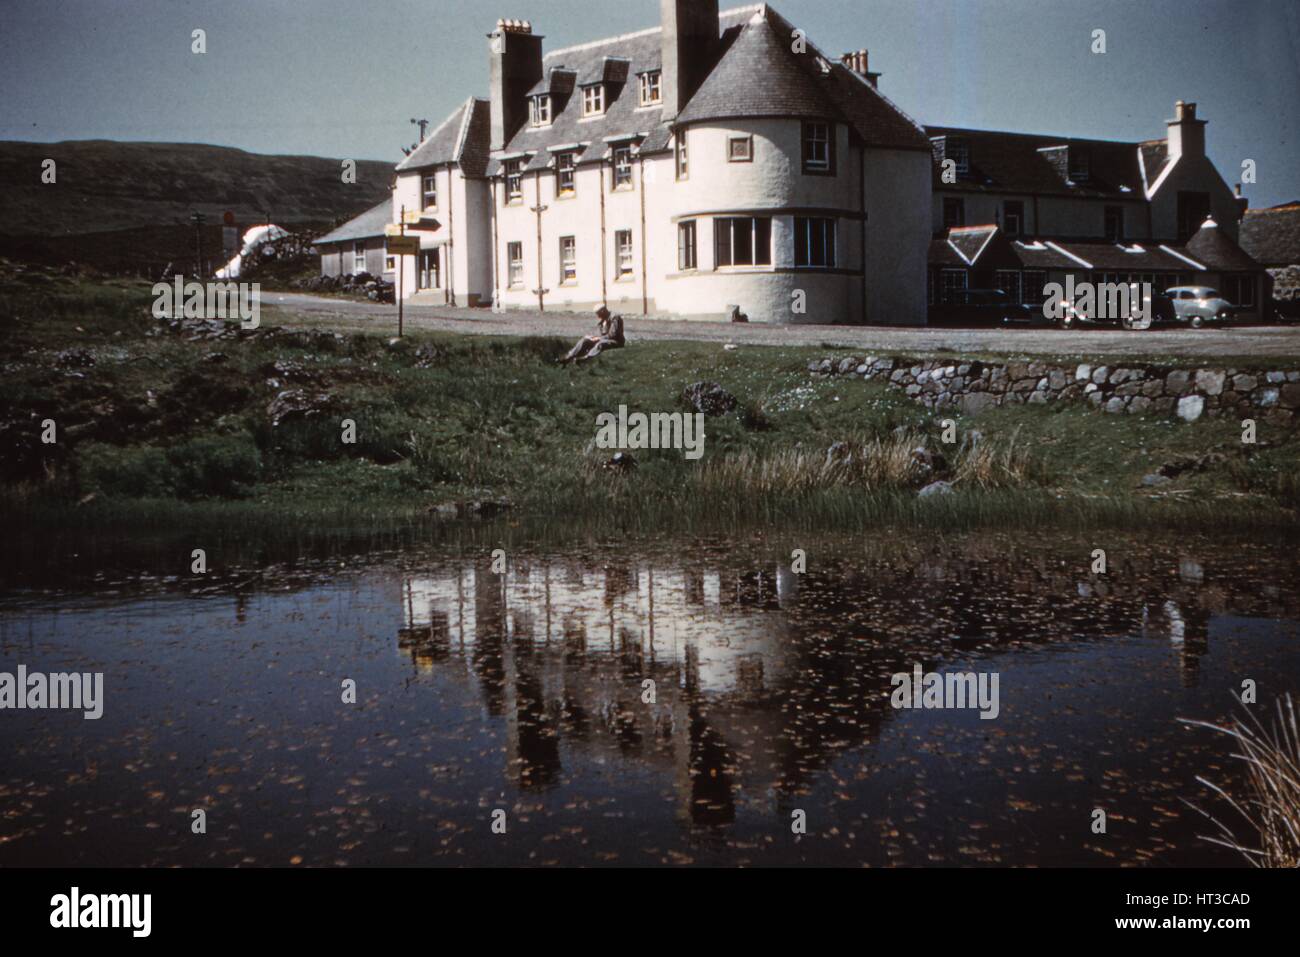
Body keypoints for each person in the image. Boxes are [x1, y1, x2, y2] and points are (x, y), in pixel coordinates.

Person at [560, 305, 625, 364]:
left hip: (616, 341)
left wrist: (598, 338)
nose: (598, 316)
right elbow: (603, 335)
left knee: (600, 344)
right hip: (605, 339)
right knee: (585, 340)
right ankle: (569, 357)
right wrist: (592, 337)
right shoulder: (602, 321)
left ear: (603, 311)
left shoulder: (615, 318)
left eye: (598, 314)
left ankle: (586, 358)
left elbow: (613, 335)